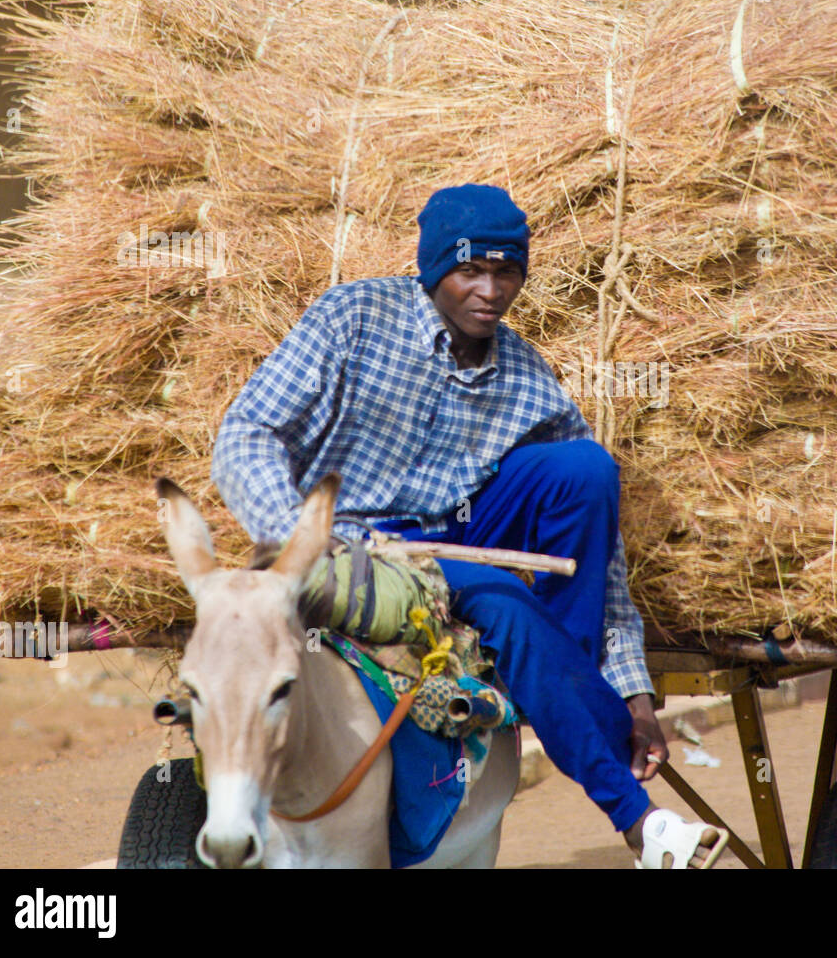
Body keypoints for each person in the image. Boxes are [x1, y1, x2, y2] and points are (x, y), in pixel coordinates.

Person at [211, 183, 727, 868]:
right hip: (351, 553)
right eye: (469, 271)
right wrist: (301, 542)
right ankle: (640, 822)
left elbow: (604, 558)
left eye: (506, 271)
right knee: (505, 607)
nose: (490, 290)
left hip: (448, 541)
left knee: (585, 468)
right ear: (432, 270)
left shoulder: (522, 374)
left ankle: (565, 679)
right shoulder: (351, 318)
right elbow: (246, 432)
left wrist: (632, 688)